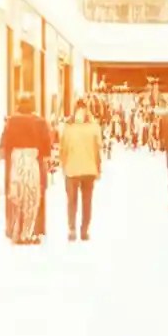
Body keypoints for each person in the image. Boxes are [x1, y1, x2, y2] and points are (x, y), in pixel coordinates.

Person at [0, 93, 52, 244]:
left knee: (16, 198)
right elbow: (46, 148)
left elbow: (4, 145)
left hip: (15, 163)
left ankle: (14, 230)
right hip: (33, 162)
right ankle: (31, 232)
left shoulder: (11, 121)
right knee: (32, 198)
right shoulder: (40, 122)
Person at [60, 99, 102, 241]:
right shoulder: (94, 127)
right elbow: (98, 150)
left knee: (71, 201)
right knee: (87, 201)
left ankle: (72, 229)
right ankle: (84, 231)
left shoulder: (68, 128)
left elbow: (63, 149)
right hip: (89, 170)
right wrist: (98, 168)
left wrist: (63, 165)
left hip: (71, 170)